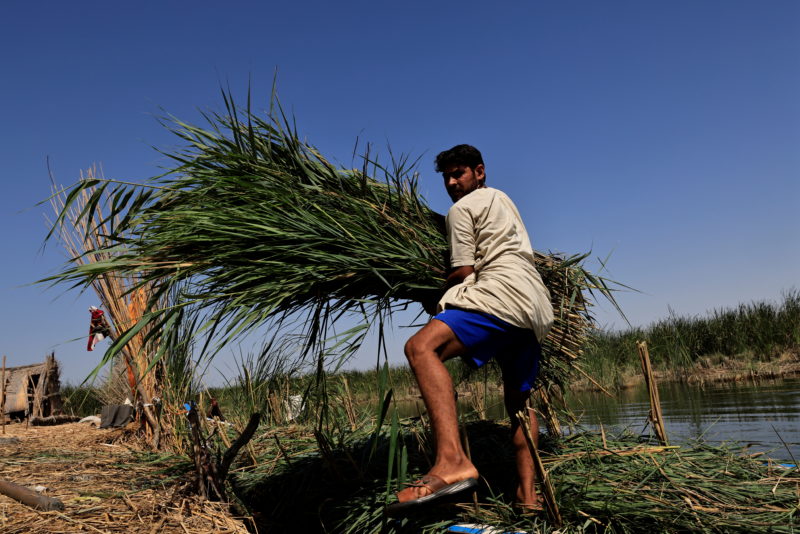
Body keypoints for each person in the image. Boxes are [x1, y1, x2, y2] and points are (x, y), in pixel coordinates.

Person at [387, 144, 554, 515]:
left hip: (501, 295)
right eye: (446, 176)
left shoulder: (461, 209)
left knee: (421, 348)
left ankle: (451, 461)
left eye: (458, 173)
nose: (451, 182)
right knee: (518, 403)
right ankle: (528, 497)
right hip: (535, 308)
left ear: (479, 171)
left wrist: (435, 291)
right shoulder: (503, 200)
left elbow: (463, 271)